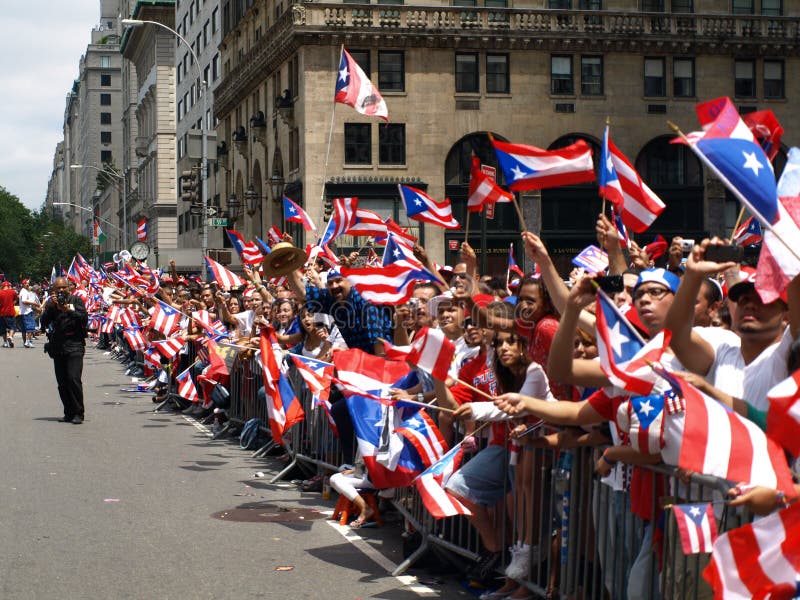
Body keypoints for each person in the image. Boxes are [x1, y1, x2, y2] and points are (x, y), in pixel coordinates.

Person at [40, 277, 89, 424]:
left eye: (64, 287)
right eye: (58, 288)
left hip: (75, 345)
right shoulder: (52, 304)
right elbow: (44, 322)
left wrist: (68, 310)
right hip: (58, 346)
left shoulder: (76, 300)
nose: (61, 290)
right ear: (54, 290)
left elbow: (84, 318)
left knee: (73, 378)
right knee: (62, 382)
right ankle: (68, 412)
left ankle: (79, 413)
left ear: (69, 288)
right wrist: (51, 307)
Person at [18, 279, 41, 348]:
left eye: (28, 283)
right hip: (27, 312)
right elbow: (24, 301)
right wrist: (33, 303)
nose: (27, 285)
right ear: (23, 284)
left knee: (24, 329)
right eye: (26, 283)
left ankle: (25, 342)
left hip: (23, 312)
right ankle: (28, 342)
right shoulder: (24, 292)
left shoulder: (23, 291)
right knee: (30, 328)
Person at [0, 281, 18, 347]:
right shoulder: (13, 292)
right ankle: (10, 336)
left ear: (2, 286)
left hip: (2, 313)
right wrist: (12, 303)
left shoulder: (0, 292)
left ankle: (5, 343)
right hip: (11, 312)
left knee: (3, 329)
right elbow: (16, 299)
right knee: (12, 326)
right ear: (8, 286)